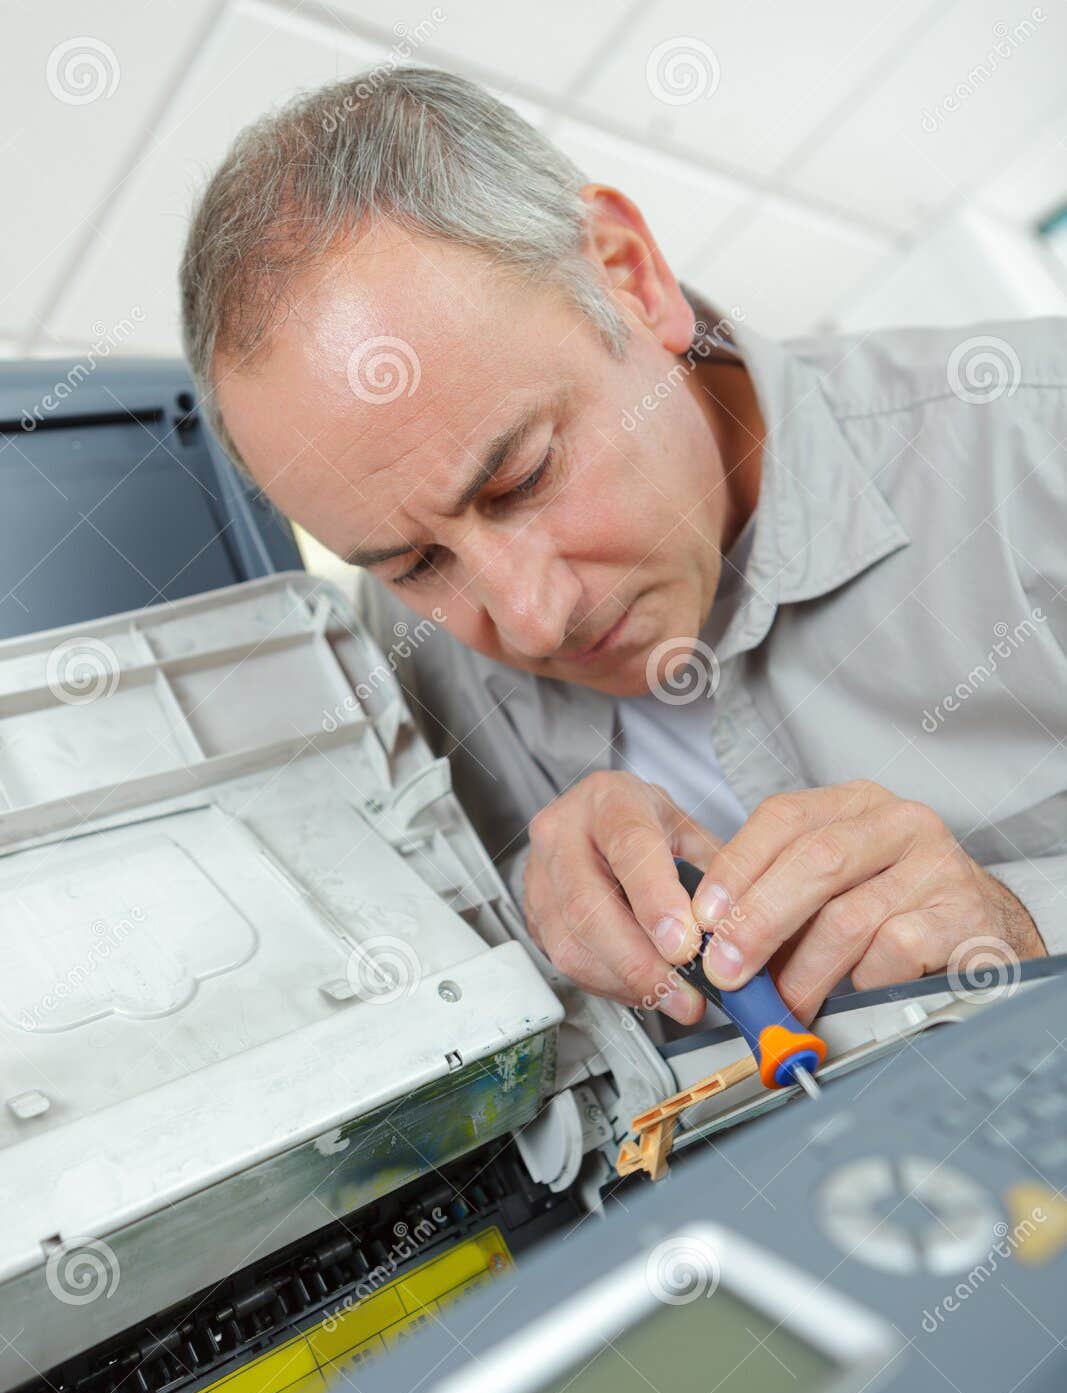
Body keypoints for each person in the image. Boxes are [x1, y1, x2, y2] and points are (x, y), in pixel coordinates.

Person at [179, 67, 1067, 1030]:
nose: (532, 620)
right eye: (416, 566)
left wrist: (1019, 920)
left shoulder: (1034, 447)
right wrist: (527, 927)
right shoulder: (385, 682)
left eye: (522, 478)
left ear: (629, 278)